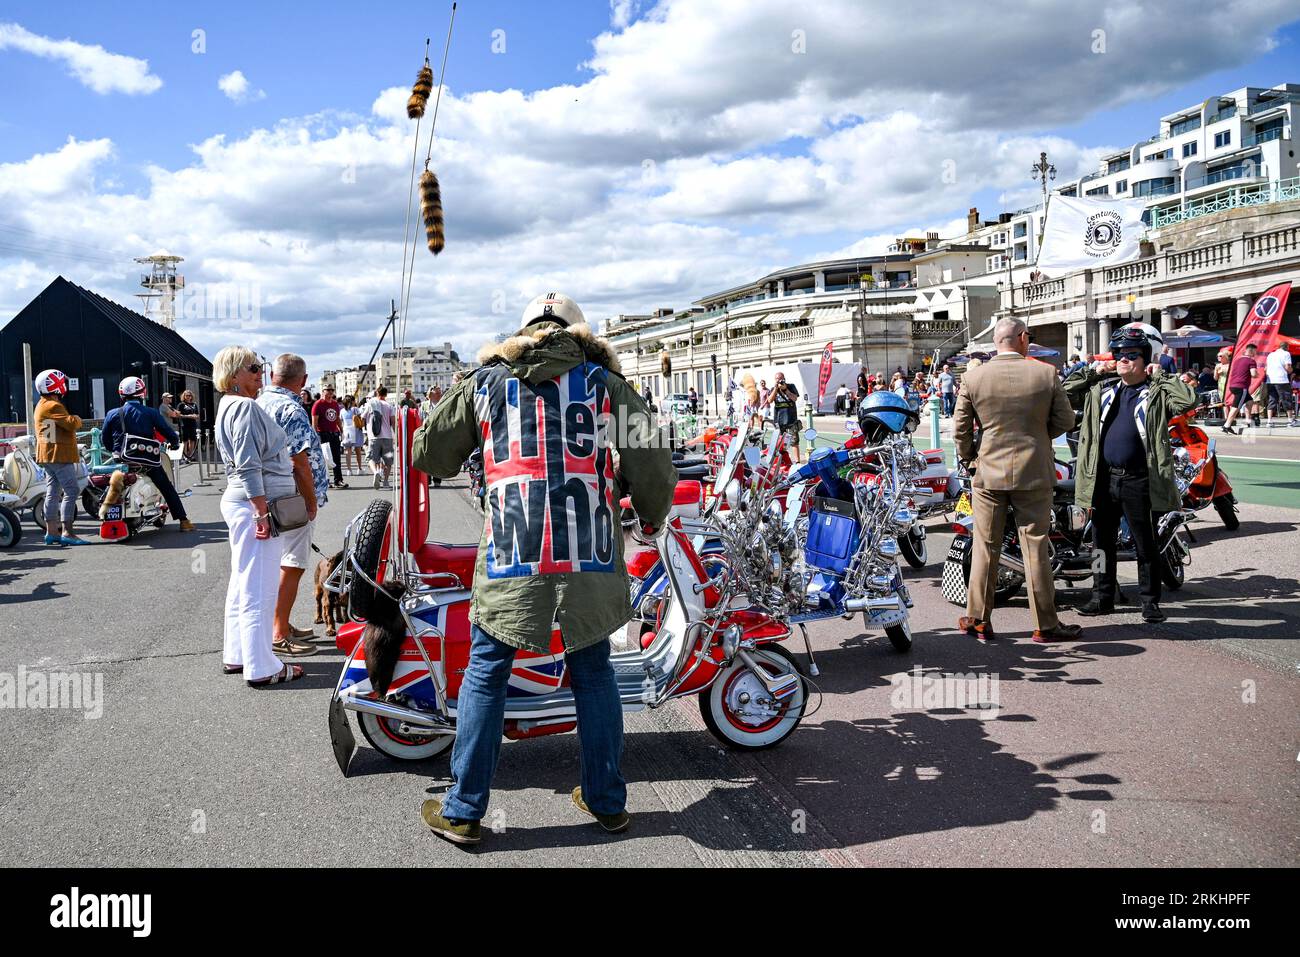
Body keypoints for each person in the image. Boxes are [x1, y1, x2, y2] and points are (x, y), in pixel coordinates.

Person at [411, 292, 675, 845]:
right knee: (594, 671)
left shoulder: (487, 383)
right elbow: (652, 462)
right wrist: (646, 513)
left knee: (487, 671)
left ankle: (463, 810)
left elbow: (430, 453)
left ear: (525, 330)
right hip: (591, 556)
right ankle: (606, 802)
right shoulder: (606, 387)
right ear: (580, 334)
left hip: (513, 552)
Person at [953, 317, 1080, 643]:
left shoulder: (974, 376)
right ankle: (1046, 625)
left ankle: (979, 619)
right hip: (1034, 471)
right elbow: (1065, 420)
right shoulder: (1045, 373)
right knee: (1035, 546)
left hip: (989, 472)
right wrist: (1037, 437)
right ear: (1022, 338)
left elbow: (961, 429)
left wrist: (970, 460)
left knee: (986, 546)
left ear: (997, 341)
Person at [1064, 323, 1197, 623]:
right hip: (1102, 478)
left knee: (1144, 544)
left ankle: (1149, 601)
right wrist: (1094, 371)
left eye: (1132, 355)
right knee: (1101, 545)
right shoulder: (1103, 390)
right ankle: (1101, 596)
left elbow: (1188, 401)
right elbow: (1063, 391)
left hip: (1139, 479)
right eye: (1119, 354)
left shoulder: (1156, 393)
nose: (1124, 359)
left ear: (1146, 358)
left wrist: (1160, 373)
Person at [212, 346, 304, 687]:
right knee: (259, 587)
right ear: (234, 373)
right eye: (253, 367)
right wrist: (261, 511)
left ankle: (238, 654)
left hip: (244, 502)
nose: (259, 373)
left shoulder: (227, 405)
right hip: (255, 506)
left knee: (243, 582)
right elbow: (249, 463)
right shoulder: (246, 407)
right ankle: (262, 666)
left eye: (260, 366)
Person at [257, 354, 326, 657]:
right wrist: (310, 502)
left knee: (277, 562)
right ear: (303, 380)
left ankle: (277, 622)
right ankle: (279, 631)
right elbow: (300, 462)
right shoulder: (290, 409)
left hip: (268, 493)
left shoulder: (259, 402)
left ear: (272, 374)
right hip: (292, 497)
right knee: (294, 563)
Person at [101, 376, 196, 532]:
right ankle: (183, 521)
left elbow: (105, 439)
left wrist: (115, 450)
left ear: (121, 394)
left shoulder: (112, 413)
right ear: (142, 393)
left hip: (121, 459)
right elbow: (166, 431)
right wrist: (174, 442)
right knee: (166, 486)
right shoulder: (150, 412)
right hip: (146, 460)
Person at [32, 369, 87, 546]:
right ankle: (67, 532)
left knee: (53, 492)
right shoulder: (53, 405)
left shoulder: (41, 404)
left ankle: (51, 532)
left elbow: (53, 431)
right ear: (55, 385)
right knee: (72, 491)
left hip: (47, 454)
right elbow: (70, 424)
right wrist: (77, 419)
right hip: (59, 455)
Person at [312, 385, 349, 489]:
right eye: (328, 390)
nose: (330, 392)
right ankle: (326, 481)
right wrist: (315, 435)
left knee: (337, 458)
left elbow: (337, 418)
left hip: (334, 433)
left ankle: (338, 480)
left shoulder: (334, 403)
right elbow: (314, 422)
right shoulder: (318, 404)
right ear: (323, 391)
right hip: (323, 434)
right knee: (325, 459)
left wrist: (341, 430)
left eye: (332, 390)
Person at [1222, 343, 1260, 435]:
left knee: (1250, 401)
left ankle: (1247, 420)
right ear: (1251, 351)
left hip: (1233, 385)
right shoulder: (1251, 361)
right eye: (1255, 352)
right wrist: (1259, 375)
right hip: (1241, 387)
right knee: (1236, 407)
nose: (1256, 354)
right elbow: (1253, 374)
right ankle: (1226, 426)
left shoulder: (1237, 360)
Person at [363, 386, 396, 488]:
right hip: (388, 437)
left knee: (371, 458)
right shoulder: (390, 406)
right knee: (388, 460)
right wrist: (396, 436)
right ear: (386, 394)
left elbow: (362, 418)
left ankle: (376, 472)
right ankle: (386, 481)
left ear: (377, 393)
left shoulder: (370, 404)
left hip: (374, 437)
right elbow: (393, 422)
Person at [770, 371, 802, 463]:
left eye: (780, 379)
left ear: (784, 379)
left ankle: (797, 462)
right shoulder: (773, 389)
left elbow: (795, 398)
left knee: (794, 441)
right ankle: (784, 461)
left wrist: (786, 390)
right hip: (779, 420)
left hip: (791, 419)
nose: (779, 381)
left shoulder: (791, 386)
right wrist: (776, 389)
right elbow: (769, 400)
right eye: (777, 379)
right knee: (781, 442)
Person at [1265, 344, 1296, 428]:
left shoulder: (1270, 355)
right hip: (1281, 380)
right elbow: (1288, 367)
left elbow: (1266, 368)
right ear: (1286, 347)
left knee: (1272, 399)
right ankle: (1290, 421)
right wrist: (1292, 371)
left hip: (1270, 380)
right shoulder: (1286, 353)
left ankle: (1269, 421)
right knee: (1286, 399)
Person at [341, 394, 366, 476]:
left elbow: (341, 422)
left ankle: (349, 470)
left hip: (346, 432)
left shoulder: (342, 411)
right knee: (358, 451)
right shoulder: (355, 409)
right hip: (356, 431)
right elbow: (361, 418)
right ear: (352, 402)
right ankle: (359, 468)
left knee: (348, 451)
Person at [176, 390, 201, 462]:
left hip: (193, 424)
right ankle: (185, 456)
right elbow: (178, 415)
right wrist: (188, 416)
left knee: (192, 440)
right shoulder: (181, 405)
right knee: (185, 440)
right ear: (184, 396)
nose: (188, 397)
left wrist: (196, 416)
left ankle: (191, 455)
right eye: (187, 395)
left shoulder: (194, 404)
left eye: (190, 395)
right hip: (184, 424)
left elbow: (197, 414)